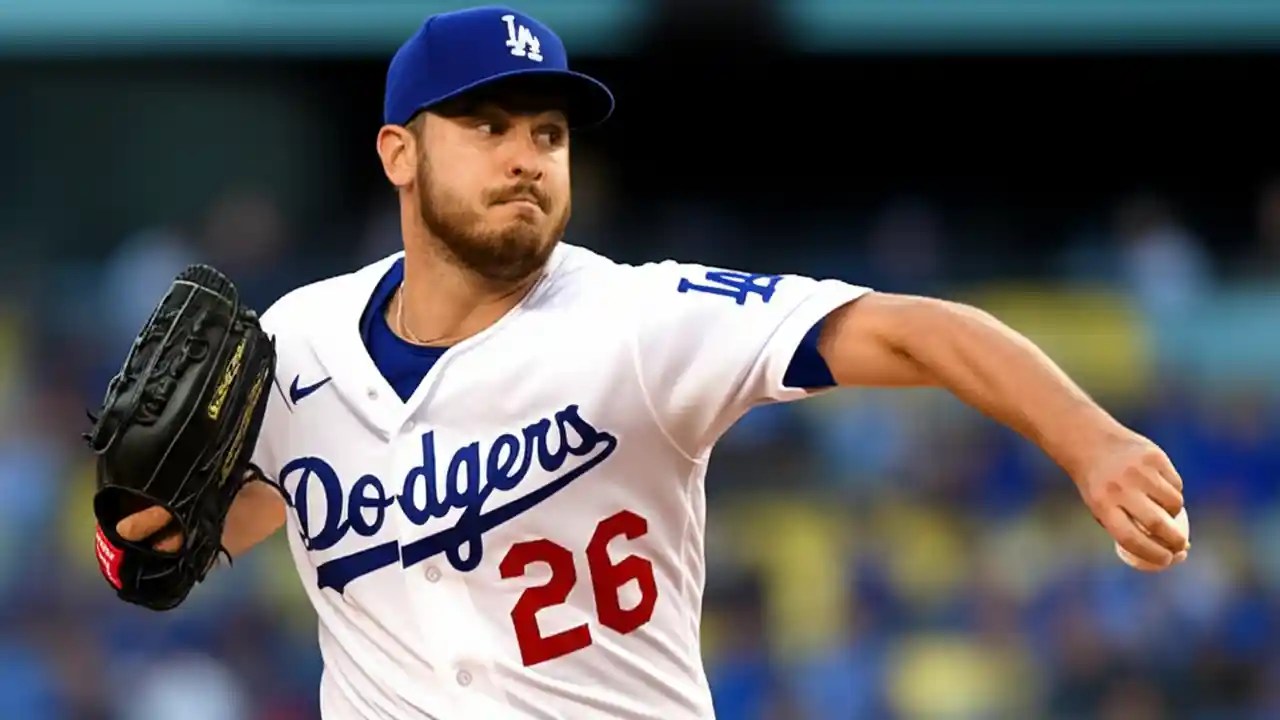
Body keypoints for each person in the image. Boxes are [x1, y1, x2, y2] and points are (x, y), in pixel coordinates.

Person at [97, 6, 1190, 719]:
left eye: (548, 133)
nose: (526, 156)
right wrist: (134, 541)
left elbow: (915, 329)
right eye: (486, 126)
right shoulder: (299, 339)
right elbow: (192, 542)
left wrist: (1087, 440)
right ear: (399, 151)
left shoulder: (640, 317)